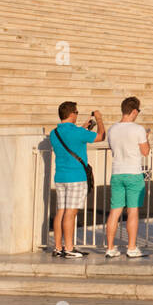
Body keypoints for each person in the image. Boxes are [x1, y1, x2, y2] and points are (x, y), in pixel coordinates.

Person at [50, 101, 105, 259]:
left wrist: (82, 127)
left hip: (60, 176)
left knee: (60, 212)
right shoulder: (77, 132)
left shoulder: (55, 133)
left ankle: (58, 247)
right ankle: (69, 248)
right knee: (70, 213)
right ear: (72, 113)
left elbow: (70, 137)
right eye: (77, 112)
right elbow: (101, 136)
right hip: (76, 177)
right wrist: (99, 120)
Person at [103, 96, 149, 258]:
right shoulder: (138, 129)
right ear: (134, 111)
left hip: (117, 172)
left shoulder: (112, 129)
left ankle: (110, 248)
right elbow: (145, 151)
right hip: (133, 172)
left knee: (114, 211)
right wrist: (146, 139)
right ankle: (131, 247)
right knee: (132, 211)